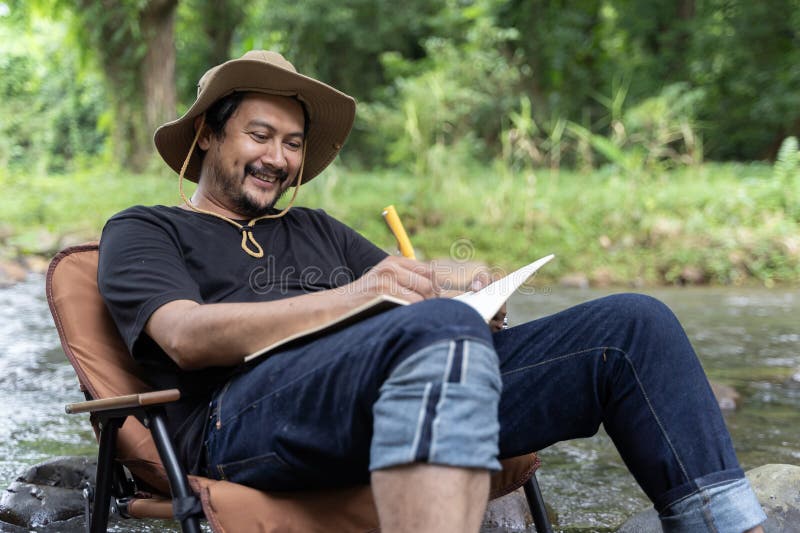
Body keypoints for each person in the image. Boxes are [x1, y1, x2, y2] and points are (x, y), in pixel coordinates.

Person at [97, 50, 766, 532]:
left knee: (633, 325)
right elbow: (183, 335)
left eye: (294, 143)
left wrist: (467, 281)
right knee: (435, 328)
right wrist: (364, 297)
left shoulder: (315, 229)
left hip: (393, 388)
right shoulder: (145, 229)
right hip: (237, 421)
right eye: (260, 135)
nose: (279, 157)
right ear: (210, 134)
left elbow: (409, 278)